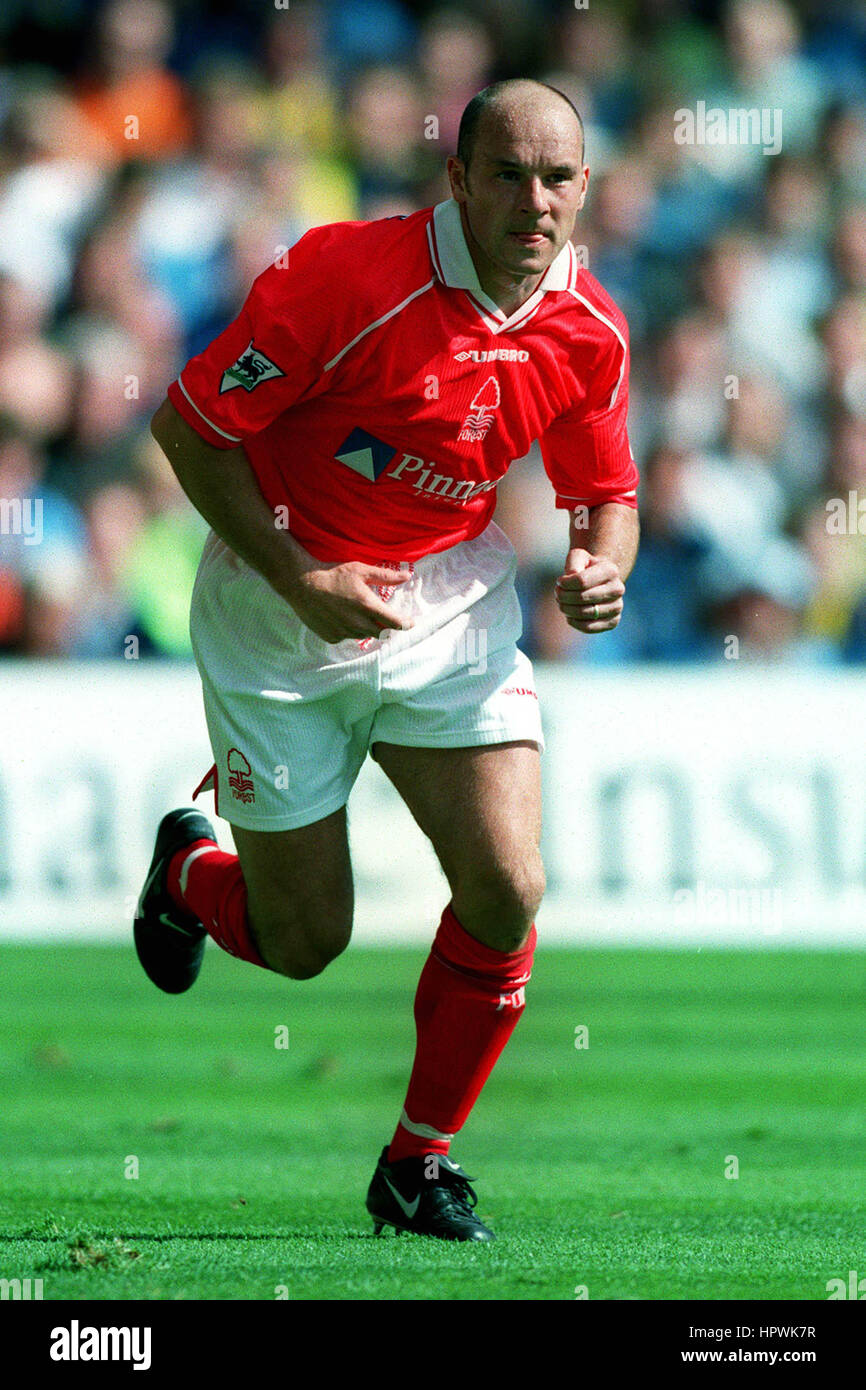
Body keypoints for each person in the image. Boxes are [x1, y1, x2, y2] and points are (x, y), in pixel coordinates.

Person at [135, 78, 640, 1241]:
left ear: (583, 187)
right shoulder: (340, 279)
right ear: (454, 179)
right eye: (506, 174)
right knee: (306, 943)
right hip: (279, 607)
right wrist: (301, 579)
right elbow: (189, 428)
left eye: (557, 177)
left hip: (449, 611)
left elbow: (603, 495)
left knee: (509, 889)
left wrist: (597, 564)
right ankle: (186, 879)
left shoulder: (588, 329)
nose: (534, 200)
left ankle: (418, 1161)